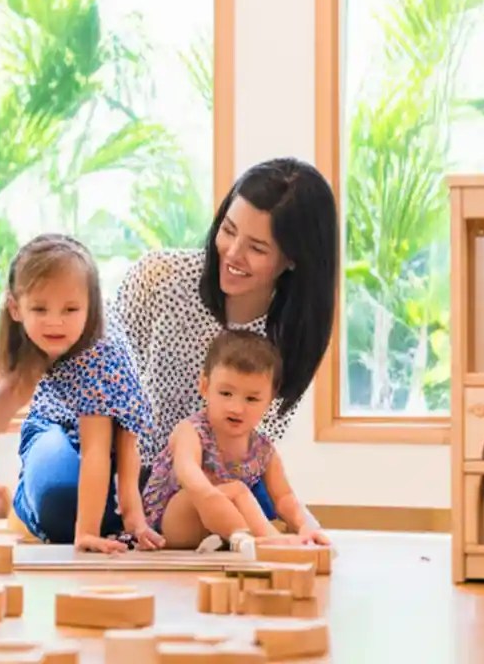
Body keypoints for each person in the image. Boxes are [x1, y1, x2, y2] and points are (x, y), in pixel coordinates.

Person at [112, 157, 338, 517]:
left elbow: (254, 441)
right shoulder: (159, 280)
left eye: (257, 248)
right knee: (59, 494)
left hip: (215, 476)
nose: (232, 254)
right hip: (124, 461)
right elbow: (108, 389)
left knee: (260, 505)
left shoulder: (291, 335)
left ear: (293, 260)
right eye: (229, 230)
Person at [0, 234, 162, 553]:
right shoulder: (35, 341)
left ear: (90, 307)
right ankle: (30, 499)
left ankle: (95, 519)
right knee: (58, 496)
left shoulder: (100, 354)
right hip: (57, 427)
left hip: (109, 447)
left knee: (88, 508)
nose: (55, 322)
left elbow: (103, 446)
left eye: (70, 309)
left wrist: (92, 529)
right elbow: (9, 395)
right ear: (16, 308)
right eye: (40, 309)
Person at [141, 330, 330, 550]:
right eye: (226, 394)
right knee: (234, 490)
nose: (237, 408)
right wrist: (215, 498)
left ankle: (240, 539)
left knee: (241, 495)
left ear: (269, 401)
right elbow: (188, 472)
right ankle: (265, 542)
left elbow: (284, 497)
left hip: (220, 525)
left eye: (251, 398)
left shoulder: (263, 450)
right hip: (173, 521)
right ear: (205, 387)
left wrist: (303, 525)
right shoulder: (192, 431)